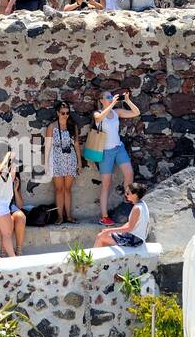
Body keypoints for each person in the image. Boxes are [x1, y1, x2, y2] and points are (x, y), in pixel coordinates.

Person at [93, 90, 140, 225]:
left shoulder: (116, 112)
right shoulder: (97, 113)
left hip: (118, 148)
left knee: (129, 173)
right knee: (106, 184)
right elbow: (99, 118)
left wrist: (127, 100)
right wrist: (112, 102)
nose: (110, 98)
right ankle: (104, 216)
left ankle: (128, 200)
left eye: (111, 96)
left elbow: (136, 113)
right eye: (107, 97)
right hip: (105, 152)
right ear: (101, 100)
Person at [44, 100, 82, 223]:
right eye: (62, 113)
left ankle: (69, 215)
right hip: (57, 159)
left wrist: (79, 162)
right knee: (59, 189)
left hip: (70, 158)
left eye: (67, 113)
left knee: (68, 189)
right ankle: (60, 216)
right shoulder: (52, 127)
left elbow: (76, 145)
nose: (65, 115)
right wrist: (46, 164)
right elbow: (48, 146)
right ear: (57, 113)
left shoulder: (72, 126)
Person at [94, 182, 150, 249]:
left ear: (134, 195)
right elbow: (130, 223)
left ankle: (91, 259)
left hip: (134, 240)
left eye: (127, 193)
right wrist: (116, 231)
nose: (126, 195)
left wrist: (109, 230)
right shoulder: (142, 204)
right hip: (135, 237)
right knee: (103, 236)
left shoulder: (137, 208)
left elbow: (129, 228)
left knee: (100, 237)